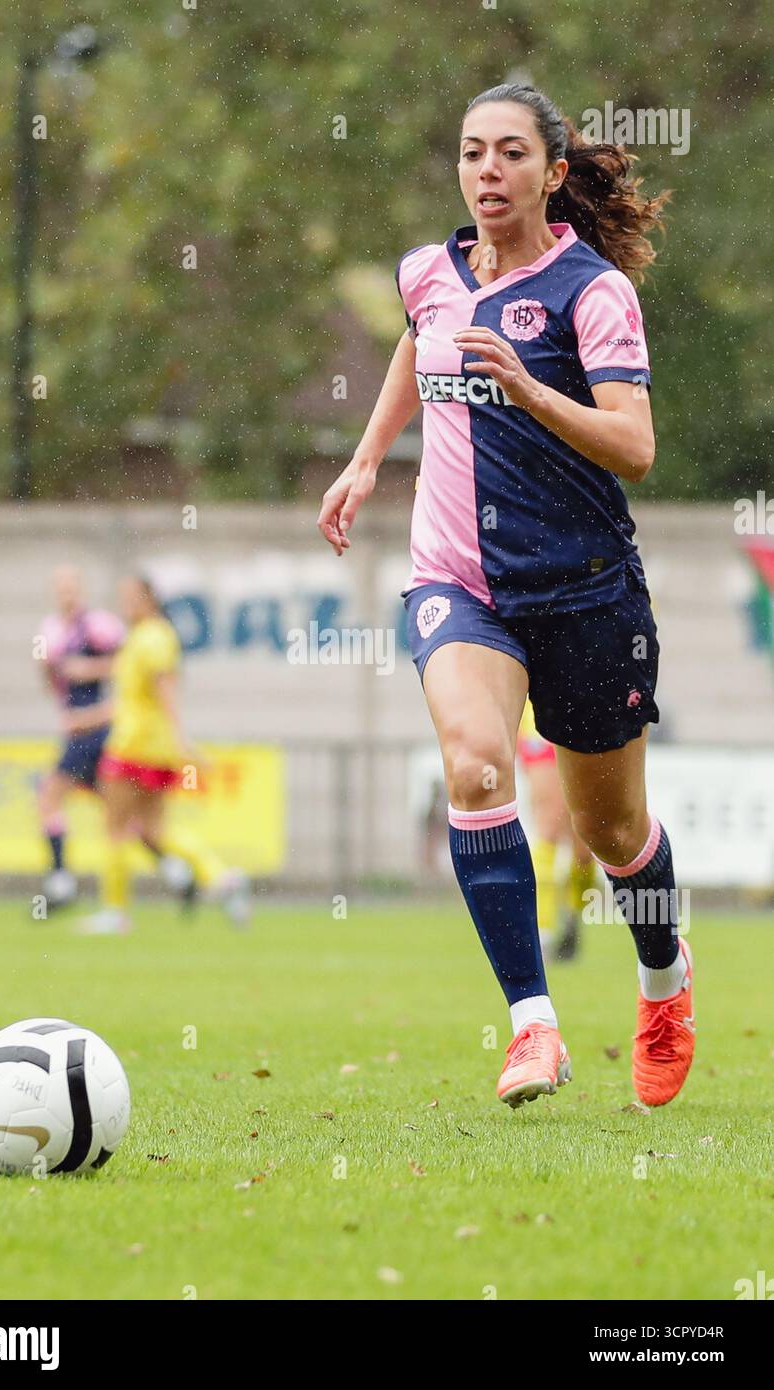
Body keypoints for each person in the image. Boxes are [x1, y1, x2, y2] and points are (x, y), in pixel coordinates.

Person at [317, 83, 691, 1110]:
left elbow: (636, 447)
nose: (486, 171)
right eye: (472, 152)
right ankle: (533, 1027)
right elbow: (416, 340)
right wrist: (363, 460)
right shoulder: (425, 274)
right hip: (458, 583)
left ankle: (663, 979)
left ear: (551, 174)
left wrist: (529, 389)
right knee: (476, 765)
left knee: (612, 833)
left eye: (510, 154)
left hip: (581, 593)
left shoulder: (592, 291)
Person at [76, 575, 251, 934]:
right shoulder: (144, 637)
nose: (126, 604)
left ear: (149, 599)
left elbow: (164, 691)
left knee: (114, 826)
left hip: (134, 745)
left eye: (132, 597)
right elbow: (131, 697)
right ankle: (222, 877)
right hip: (153, 746)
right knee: (154, 831)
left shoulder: (153, 637)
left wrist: (182, 738)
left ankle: (115, 911)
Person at [36, 566, 123, 909]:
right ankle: (176, 869)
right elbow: (51, 682)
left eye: (71, 587)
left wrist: (91, 669)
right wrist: (48, 671)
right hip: (77, 727)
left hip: (94, 730)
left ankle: (61, 881)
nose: (66, 594)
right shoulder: (51, 630)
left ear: (81, 589)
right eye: (61, 588)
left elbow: (126, 664)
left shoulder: (99, 625)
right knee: (118, 813)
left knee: (50, 796)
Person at [517, 698, 595, 962]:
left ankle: (573, 916)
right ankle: (542, 935)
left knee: (586, 844)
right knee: (548, 827)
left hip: (588, 712)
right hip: (541, 715)